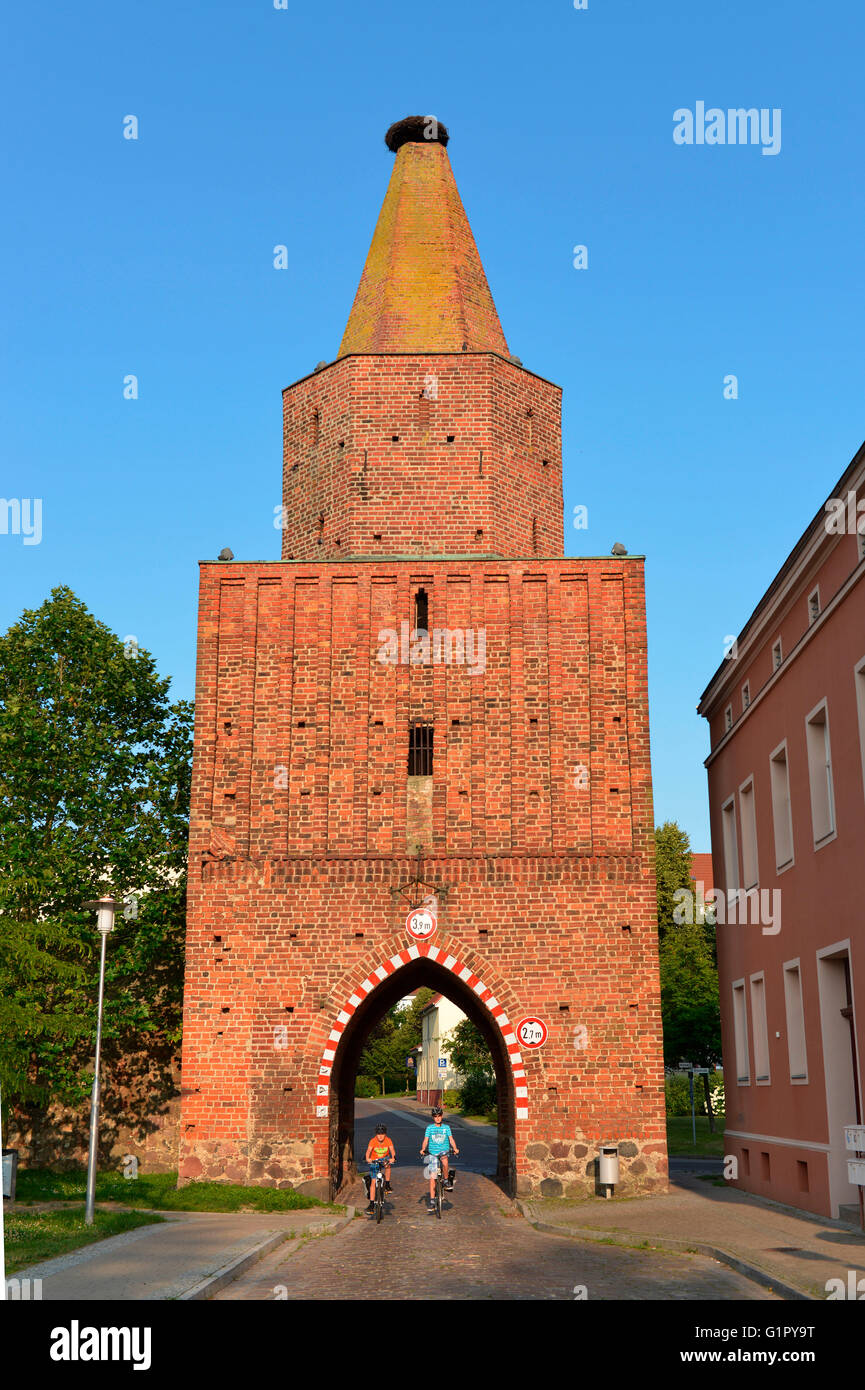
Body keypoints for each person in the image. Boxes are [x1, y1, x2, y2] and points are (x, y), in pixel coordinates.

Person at [420, 1106, 459, 1212]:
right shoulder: (429, 1128)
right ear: (433, 1117)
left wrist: (455, 1148)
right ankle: (432, 1200)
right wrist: (423, 1149)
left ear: (442, 1116)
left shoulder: (446, 1128)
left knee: (445, 1162)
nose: (437, 1118)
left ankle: (446, 1180)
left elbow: (451, 1139)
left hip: (444, 1152)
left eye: (439, 1116)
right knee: (432, 1176)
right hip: (433, 1153)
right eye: (435, 1116)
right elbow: (426, 1140)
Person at [364, 1123, 396, 1211]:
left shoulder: (388, 1140)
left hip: (384, 1158)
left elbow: (392, 1150)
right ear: (376, 1134)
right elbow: (368, 1151)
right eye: (378, 1134)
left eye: (382, 1134)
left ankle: (387, 1185)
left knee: (388, 1166)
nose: (380, 1136)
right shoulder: (373, 1141)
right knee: (373, 1181)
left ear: (385, 1134)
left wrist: (393, 1157)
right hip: (375, 1159)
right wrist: (367, 1158)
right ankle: (371, 1204)